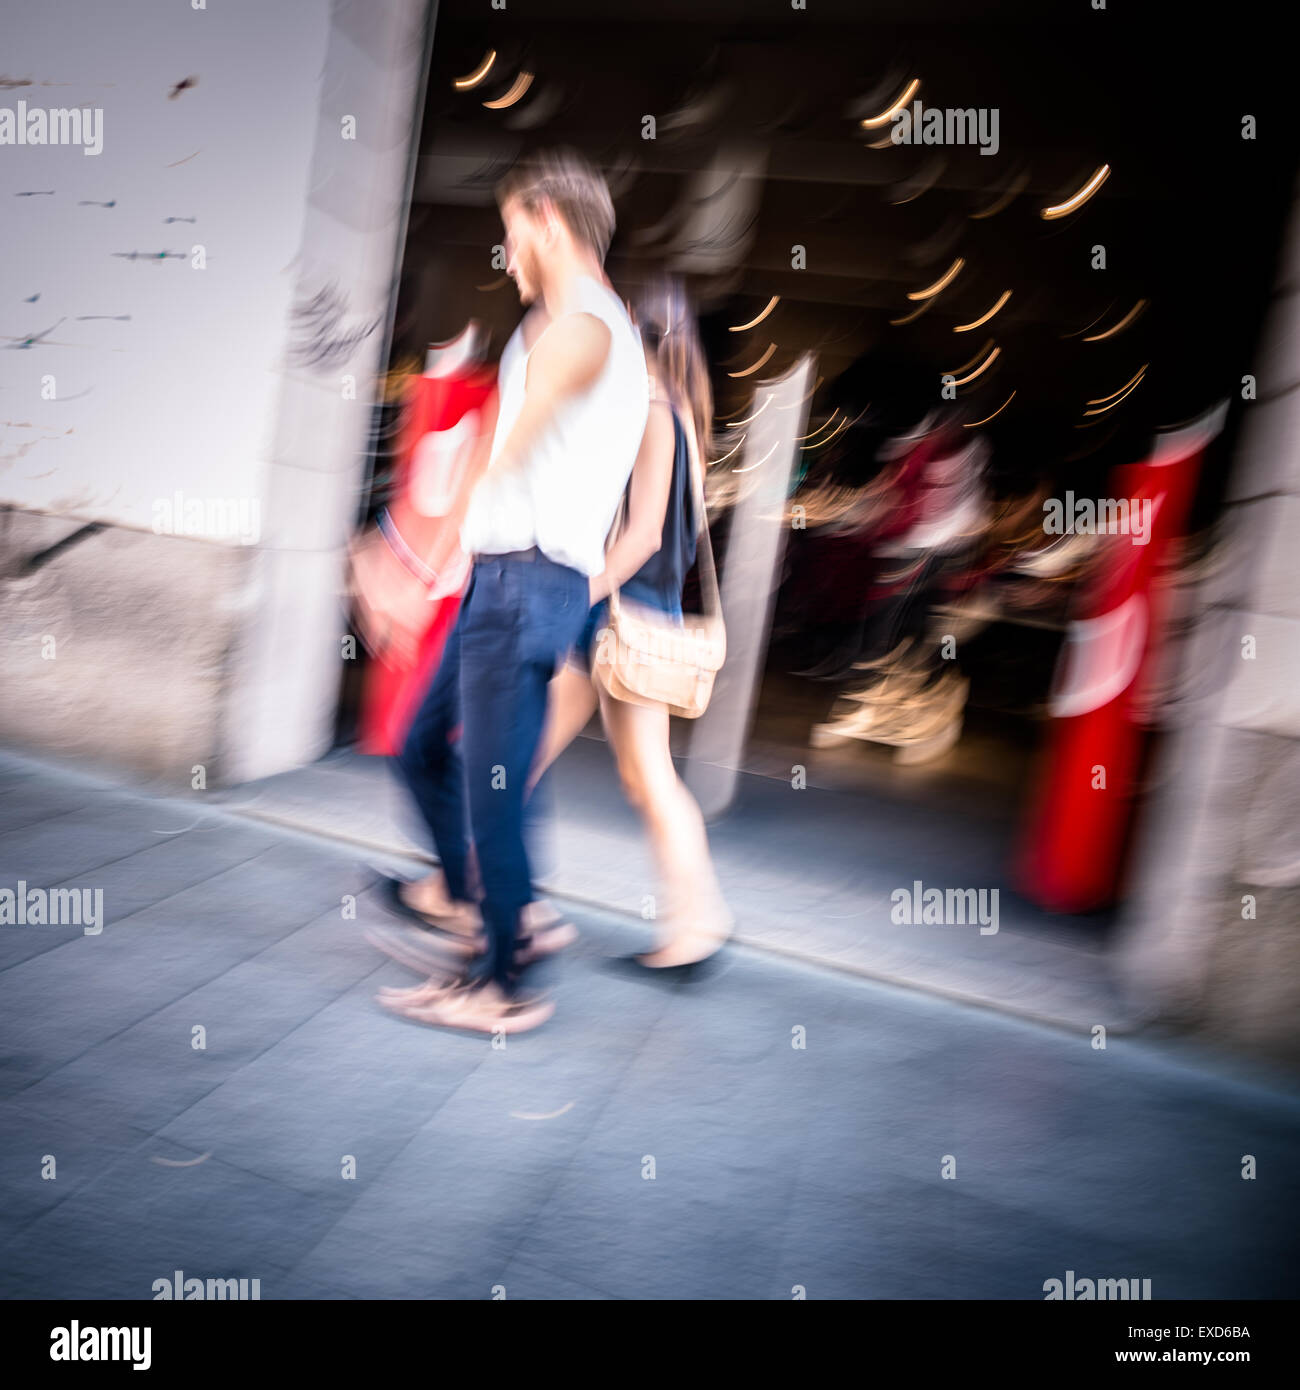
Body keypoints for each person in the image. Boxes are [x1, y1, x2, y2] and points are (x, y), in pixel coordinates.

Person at [372, 149, 649, 1034]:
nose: (507, 253)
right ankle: (493, 917)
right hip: (509, 580)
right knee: (423, 749)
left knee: (491, 784)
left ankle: (502, 983)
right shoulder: (564, 326)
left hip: (527, 584)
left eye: (510, 232)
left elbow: (508, 453)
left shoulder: (588, 329)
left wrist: (413, 567)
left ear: (547, 221)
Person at [528, 276, 732, 975]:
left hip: (621, 614)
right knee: (612, 771)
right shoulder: (681, 411)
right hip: (632, 616)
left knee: (627, 773)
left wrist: (579, 590)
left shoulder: (652, 409)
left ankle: (699, 923)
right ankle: (489, 890)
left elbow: (642, 536)